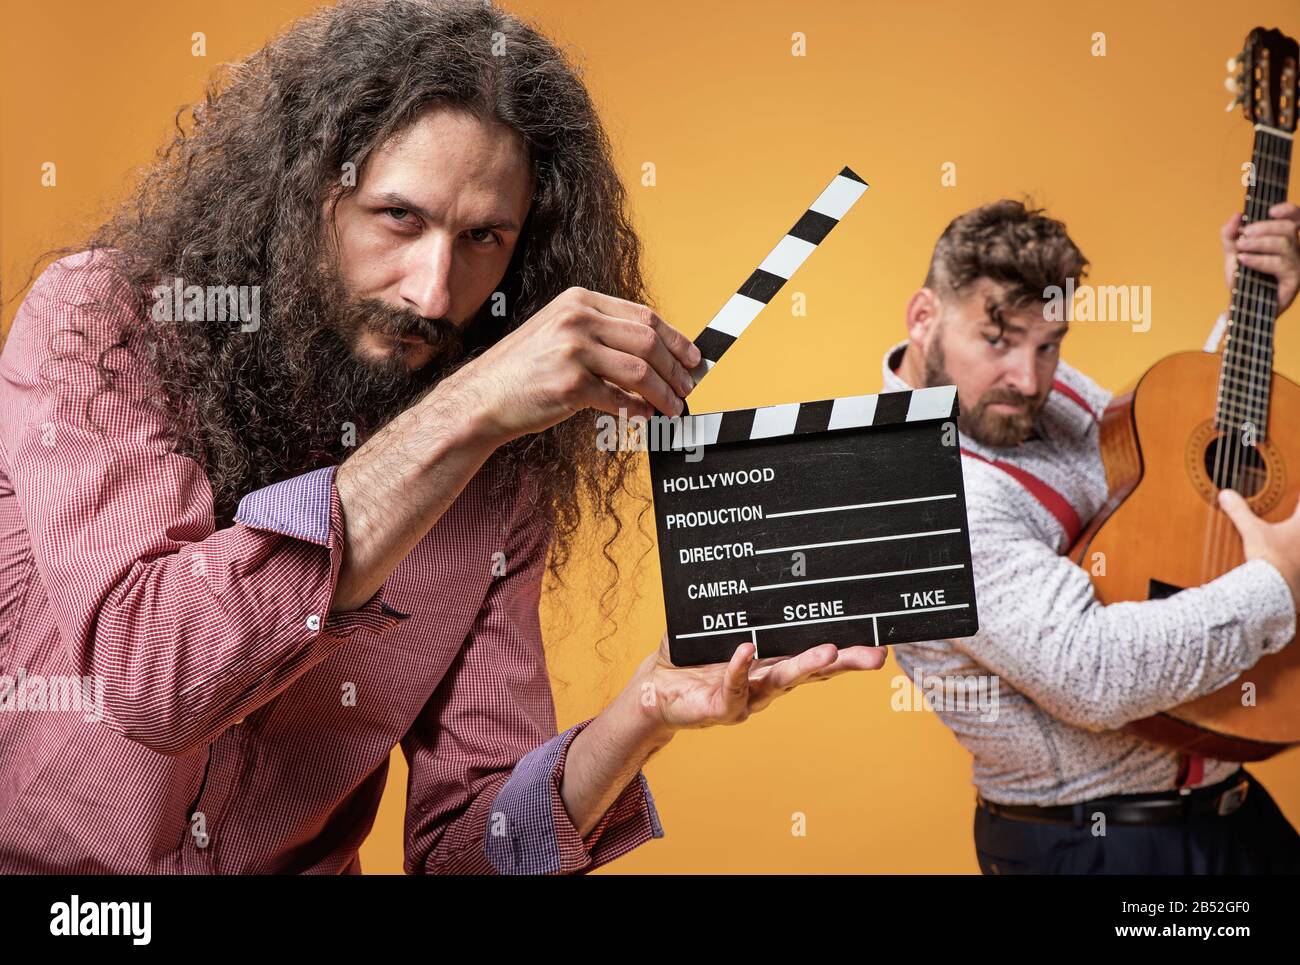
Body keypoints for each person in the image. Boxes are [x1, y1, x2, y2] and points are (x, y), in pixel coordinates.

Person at [0, 0, 885, 875]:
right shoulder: (107, 322)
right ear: (302, 193)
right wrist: (467, 407)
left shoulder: (501, 481)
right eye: (398, 218)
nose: (432, 292)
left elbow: (467, 848)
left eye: (482, 237)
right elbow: (151, 675)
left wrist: (643, 711)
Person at [884, 198, 1300, 874]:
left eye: (1049, 344)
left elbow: (1161, 496)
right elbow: (1095, 674)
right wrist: (1275, 583)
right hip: (1097, 845)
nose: (1029, 377)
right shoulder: (922, 495)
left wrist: (1246, 317)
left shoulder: (1016, 397)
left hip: (1229, 808)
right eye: (999, 341)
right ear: (924, 317)